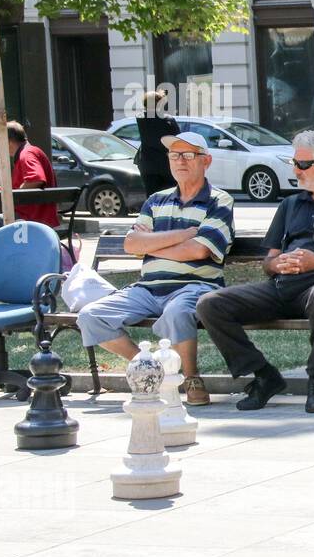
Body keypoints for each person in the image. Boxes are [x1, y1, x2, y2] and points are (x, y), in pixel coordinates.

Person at [197, 129, 314, 413]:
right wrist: (276, 265)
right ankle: (264, 375)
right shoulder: (291, 203)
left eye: (303, 164)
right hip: (282, 287)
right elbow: (268, 261)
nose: (296, 170)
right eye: (294, 163)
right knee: (210, 304)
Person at [77, 132, 233, 406]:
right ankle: (150, 368)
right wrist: (185, 233)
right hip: (147, 289)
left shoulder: (219, 201)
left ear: (206, 161)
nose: (180, 161)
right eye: (174, 156)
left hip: (196, 286)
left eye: (188, 155)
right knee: (91, 316)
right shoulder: (156, 201)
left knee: (177, 311)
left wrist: (151, 245)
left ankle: (191, 378)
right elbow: (131, 243)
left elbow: (198, 251)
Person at [0, 121, 59, 228]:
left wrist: (12, 194)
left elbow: (36, 179)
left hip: (27, 219)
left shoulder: (26, 154)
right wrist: (8, 190)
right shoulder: (30, 152)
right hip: (35, 218)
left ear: (8, 142)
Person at [134, 89, 180, 195]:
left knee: (151, 196)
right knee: (169, 195)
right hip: (166, 164)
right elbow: (177, 139)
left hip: (147, 164)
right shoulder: (168, 120)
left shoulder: (140, 118)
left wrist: (159, 96)